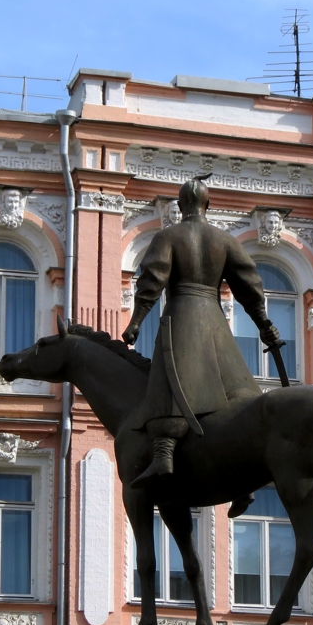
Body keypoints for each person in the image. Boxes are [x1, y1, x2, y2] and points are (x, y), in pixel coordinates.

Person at [122, 177, 281, 488]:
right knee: (236, 388)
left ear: (181, 206)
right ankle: (242, 473)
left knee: (170, 380)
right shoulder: (225, 240)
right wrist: (264, 324)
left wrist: (136, 322)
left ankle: (163, 454)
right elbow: (249, 286)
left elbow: (152, 282)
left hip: (181, 317)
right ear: (208, 205)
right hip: (215, 321)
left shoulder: (168, 236)